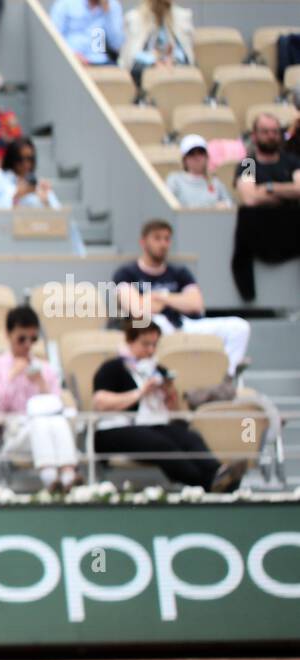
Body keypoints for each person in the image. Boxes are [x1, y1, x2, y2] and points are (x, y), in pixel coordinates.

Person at [92, 317, 244, 492]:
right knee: (161, 445)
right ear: (130, 340)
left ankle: (219, 473)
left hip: (153, 424)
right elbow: (100, 403)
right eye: (145, 344)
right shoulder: (113, 367)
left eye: (154, 345)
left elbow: (174, 410)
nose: (150, 350)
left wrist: (169, 395)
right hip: (116, 429)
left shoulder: (159, 369)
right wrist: (141, 392)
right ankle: (206, 483)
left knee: (189, 437)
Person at [112, 218, 251, 374]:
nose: (163, 244)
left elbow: (196, 304)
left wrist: (160, 297)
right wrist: (177, 300)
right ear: (143, 242)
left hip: (184, 323)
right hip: (151, 328)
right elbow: (137, 309)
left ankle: (227, 377)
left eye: (167, 239)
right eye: (157, 238)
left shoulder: (179, 272)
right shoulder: (127, 273)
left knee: (239, 327)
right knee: (157, 322)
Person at [0, 307, 78, 490]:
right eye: (21, 339)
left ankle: (65, 475)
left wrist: (42, 385)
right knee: (40, 422)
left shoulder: (45, 369)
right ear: (8, 335)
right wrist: (11, 376)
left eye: (33, 339)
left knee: (55, 420)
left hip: (49, 430)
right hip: (14, 433)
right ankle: (55, 477)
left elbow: (57, 406)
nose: (27, 345)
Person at [118, 0, 193, 83]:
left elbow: (187, 55)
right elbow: (129, 59)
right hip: (143, 78)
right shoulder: (134, 18)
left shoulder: (182, 17)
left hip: (176, 74)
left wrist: (172, 59)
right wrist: (153, 61)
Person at [235, 113, 300, 207]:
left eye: (275, 132)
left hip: (292, 219)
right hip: (258, 220)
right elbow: (250, 199)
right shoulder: (248, 164)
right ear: (254, 136)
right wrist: (288, 194)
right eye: (265, 132)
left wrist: (269, 187)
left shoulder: (293, 161)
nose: (271, 136)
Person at [0, 136, 61, 209]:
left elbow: (60, 215)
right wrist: (16, 197)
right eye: (20, 159)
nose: (26, 164)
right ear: (11, 158)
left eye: (30, 159)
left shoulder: (37, 184)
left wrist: (46, 202)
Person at [166, 133, 232, 208]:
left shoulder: (215, 182)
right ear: (184, 159)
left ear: (206, 156)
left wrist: (224, 205)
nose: (197, 157)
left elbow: (229, 203)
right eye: (191, 153)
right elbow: (167, 206)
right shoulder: (174, 180)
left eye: (201, 152)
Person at [50, 0, 124, 66]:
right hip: (69, 61)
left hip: (99, 61)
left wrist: (108, 13)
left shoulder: (112, 5)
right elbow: (53, 38)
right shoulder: (65, 3)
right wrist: (71, 54)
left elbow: (116, 44)